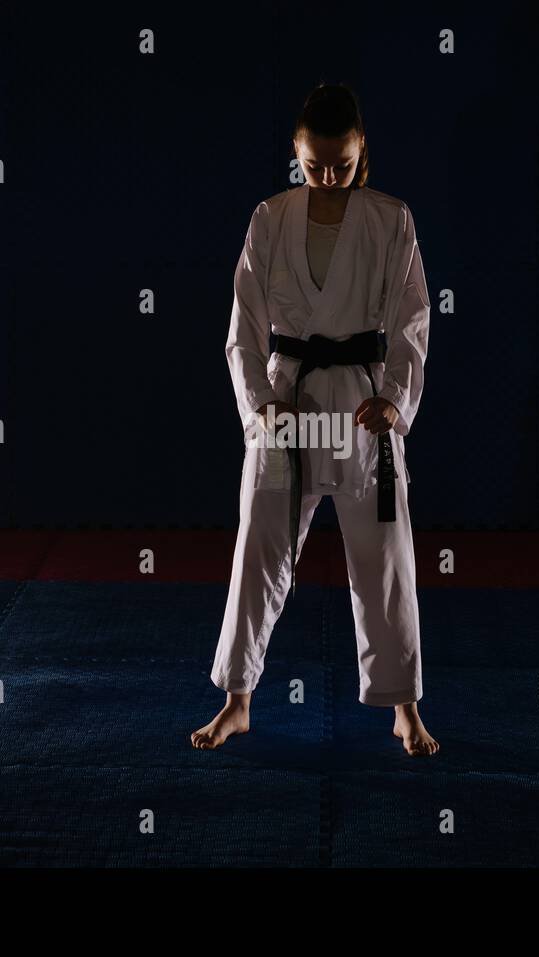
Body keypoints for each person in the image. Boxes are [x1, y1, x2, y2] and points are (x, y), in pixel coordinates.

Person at [191, 82, 438, 756]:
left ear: (363, 153)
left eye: (343, 164)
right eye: (314, 165)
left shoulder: (393, 220)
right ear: (295, 155)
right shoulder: (269, 218)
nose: (328, 177)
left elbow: (412, 320)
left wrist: (396, 397)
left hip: (362, 409)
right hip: (288, 406)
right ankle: (236, 700)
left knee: (385, 560)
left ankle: (404, 710)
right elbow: (242, 328)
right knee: (260, 550)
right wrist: (259, 407)